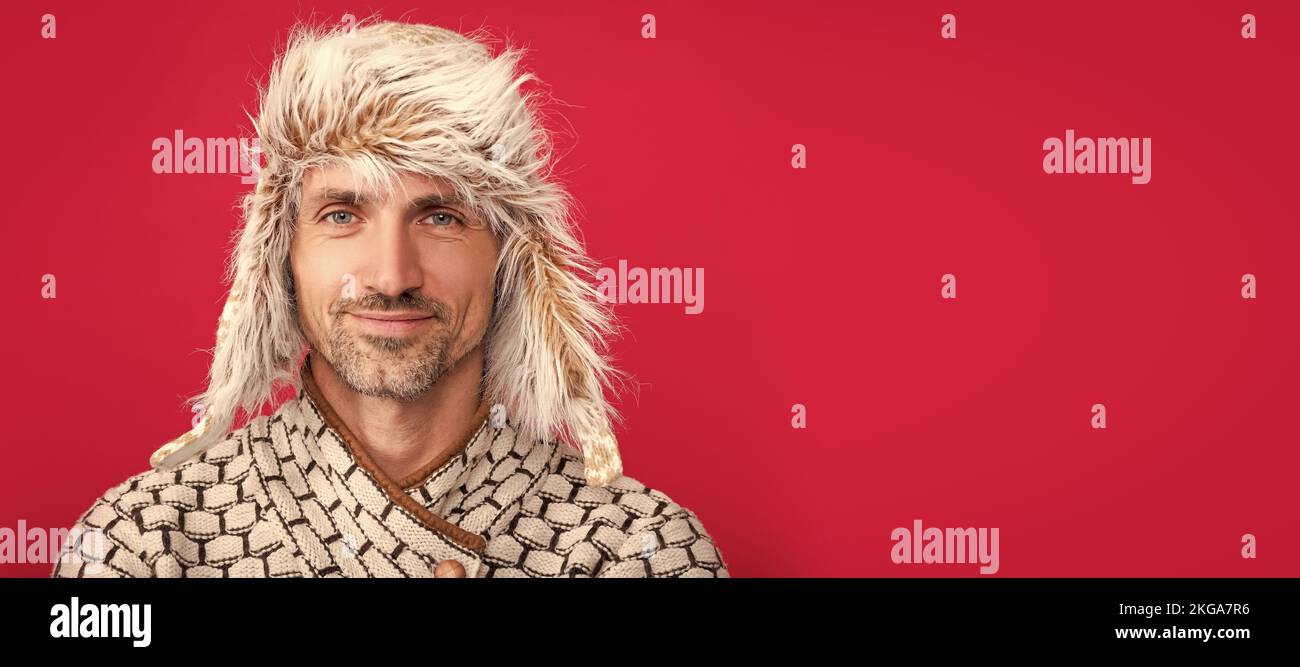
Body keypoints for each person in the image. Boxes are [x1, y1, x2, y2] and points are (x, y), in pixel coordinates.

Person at [52, 19, 728, 578]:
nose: (390, 275)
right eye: (343, 213)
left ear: (509, 256)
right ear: (280, 251)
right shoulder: (140, 548)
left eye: (441, 216)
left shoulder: (646, 551)